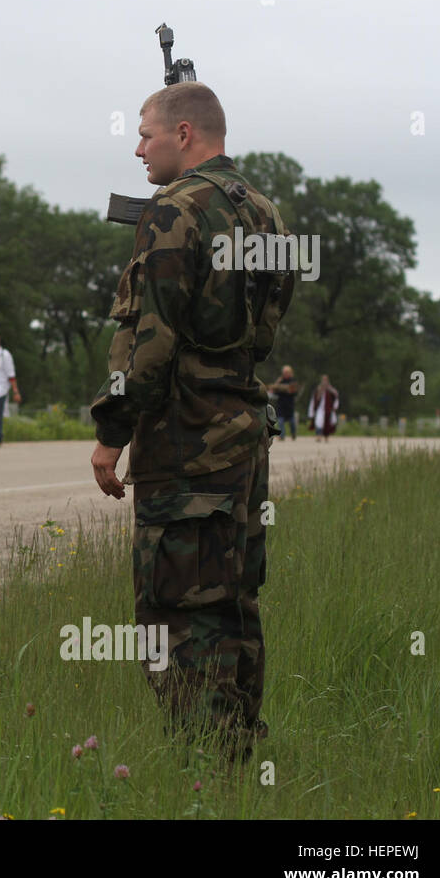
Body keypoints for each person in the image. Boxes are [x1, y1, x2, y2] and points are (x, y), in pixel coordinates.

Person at [88, 81, 293, 762]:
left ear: (184, 133)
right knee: (234, 601)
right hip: (242, 430)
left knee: (175, 615)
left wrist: (111, 434)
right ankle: (238, 751)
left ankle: (205, 766)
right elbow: (261, 333)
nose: (137, 146)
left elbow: (150, 345)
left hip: (185, 441)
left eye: (146, 132)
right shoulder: (265, 214)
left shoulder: (174, 211)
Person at [267, 365, 300, 441]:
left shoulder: (293, 381)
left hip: (290, 406)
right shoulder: (280, 381)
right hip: (281, 406)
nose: (285, 374)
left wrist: (285, 388)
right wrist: (277, 385)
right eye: (284, 372)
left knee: (292, 423)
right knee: (280, 422)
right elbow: (274, 391)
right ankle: (282, 436)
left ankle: (293, 434)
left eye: (287, 372)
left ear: (290, 373)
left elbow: (295, 391)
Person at [307, 375, 340, 442]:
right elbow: (313, 400)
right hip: (320, 410)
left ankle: (326, 437)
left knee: (327, 423)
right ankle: (318, 436)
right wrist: (311, 411)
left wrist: (335, 407)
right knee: (318, 422)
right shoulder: (318, 390)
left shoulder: (331, 391)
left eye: (326, 380)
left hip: (328, 409)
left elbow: (336, 399)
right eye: (323, 380)